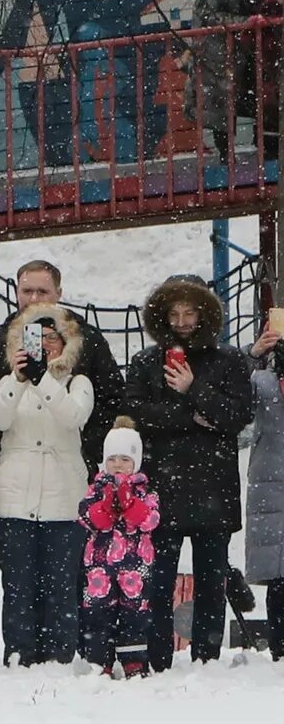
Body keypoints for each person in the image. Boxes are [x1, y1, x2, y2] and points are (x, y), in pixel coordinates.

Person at [115, 275, 252, 669]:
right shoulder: (145, 361)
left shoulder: (228, 360)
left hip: (215, 486)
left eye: (190, 312)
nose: (182, 320)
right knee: (158, 582)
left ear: (203, 313)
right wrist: (196, 415)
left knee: (212, 583)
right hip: (162, 489)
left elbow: (239, 415)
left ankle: (207, 659)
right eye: (174, 313)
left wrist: (195, 390)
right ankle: (158, 659)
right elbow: (136, 414)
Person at [0, 302, 96, 664]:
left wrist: (44, 378)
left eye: (51, 338)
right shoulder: (8, 382)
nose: (44, 345)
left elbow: (72, 416)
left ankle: (60, 656)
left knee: (60, 586)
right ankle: (19, 654)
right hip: (13, 498)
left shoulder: (79, 383)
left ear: (66, 344)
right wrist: (18, 379)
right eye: (37, 338)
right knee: (18, 585)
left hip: (63, 498)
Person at [0, 260, 122, 460]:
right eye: (27, 291)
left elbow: (113, 397)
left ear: (58, 294)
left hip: (67, 457)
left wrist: (87, 446)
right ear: (17, 292)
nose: (34, 299)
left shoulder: (86, 339)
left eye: (42, 292)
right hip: (10, 458)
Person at [197, 0, 284, 163]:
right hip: (224, 41)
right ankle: (226, 152)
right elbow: (208, 11)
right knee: (224, 94)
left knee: (269, 94)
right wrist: (245, 22)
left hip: (263, 45)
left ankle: (270, 149)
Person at [79, 421, 161, 675]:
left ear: (135, 461)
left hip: (134, 566)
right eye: (112, 458)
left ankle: (133, 659)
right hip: (100, 568)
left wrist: (128, 501)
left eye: (125, 459)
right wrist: (106, 503)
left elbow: (149, 520)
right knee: (98, 614)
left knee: (134, 614)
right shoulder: (96, 489)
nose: (117, 464)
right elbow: (89, 518)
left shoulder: (146, 492)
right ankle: (99, 661)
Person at [243, 317, 284, 652]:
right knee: (279, 576)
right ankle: (280, 648)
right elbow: (231, 403)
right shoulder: (263, 379)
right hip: (272, 486)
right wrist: (253, 356)